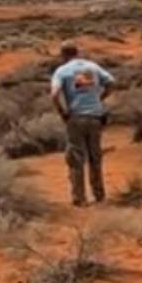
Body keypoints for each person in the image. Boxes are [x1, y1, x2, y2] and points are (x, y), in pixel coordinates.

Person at [50, 43, 116, 206]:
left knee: (76, 159)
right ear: (77, 53)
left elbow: (54, 94)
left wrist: (62, 112)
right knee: (95, 157)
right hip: (95, 118)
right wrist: (100, 98)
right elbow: (111, 82)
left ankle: (80, 198)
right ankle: (99, 195)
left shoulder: (62, 71)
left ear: (63, 54)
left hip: (76, 118)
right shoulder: (92, 67)